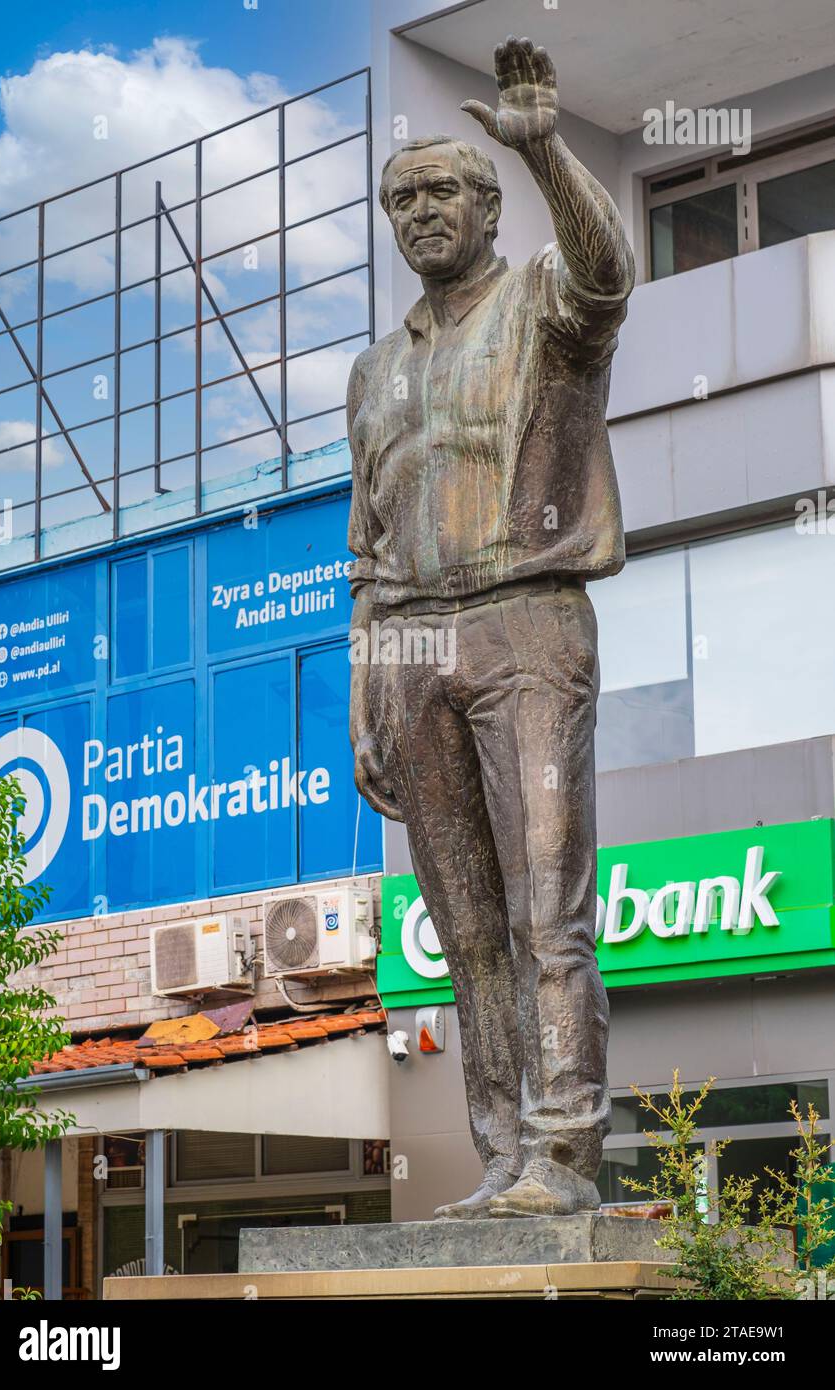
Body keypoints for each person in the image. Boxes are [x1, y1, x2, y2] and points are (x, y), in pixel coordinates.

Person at [347, 37, 634, 1217]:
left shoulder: (541, 304)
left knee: (542, 908)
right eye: (400, 199)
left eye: (440, 194)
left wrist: (543, 151)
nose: (419, 214)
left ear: (484, 207)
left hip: (526, 620)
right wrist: (369, 684)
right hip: (411, 640)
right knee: (464, 928)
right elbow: (365, 547)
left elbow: (608, 273)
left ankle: (564, 1152)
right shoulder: (372, 372)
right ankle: (501, 1153)